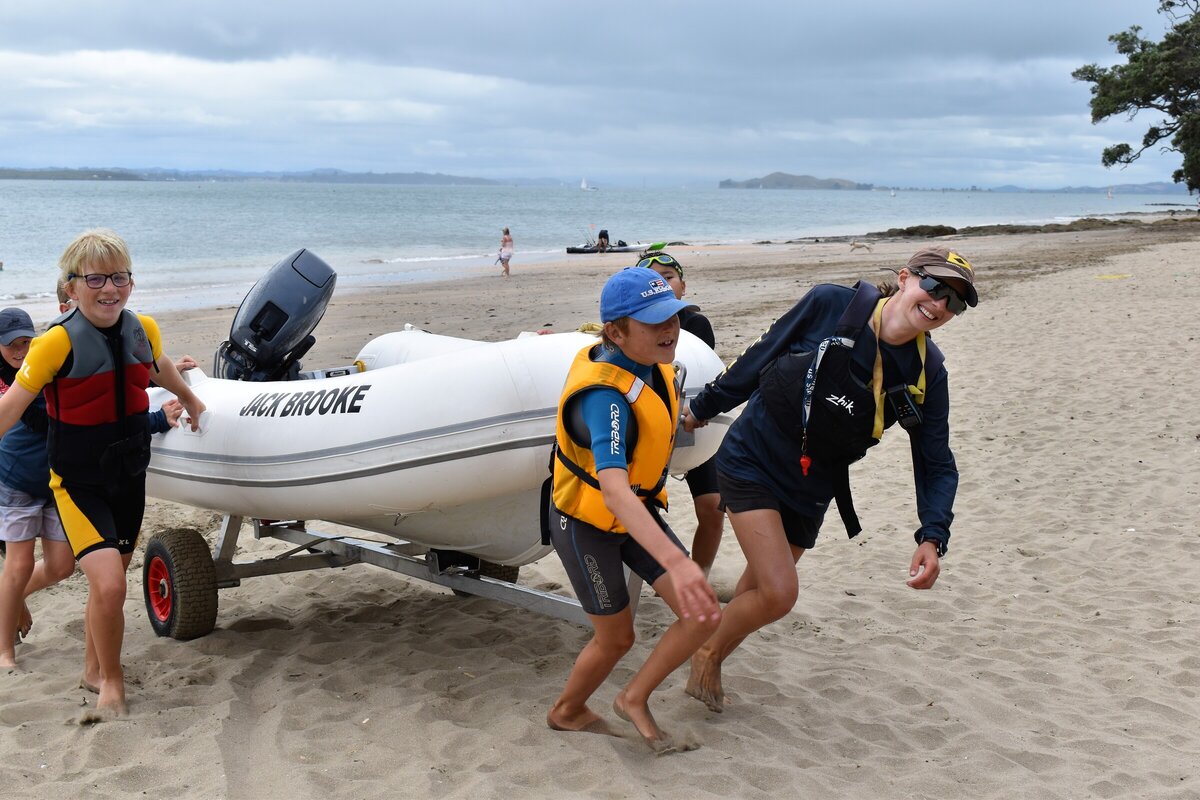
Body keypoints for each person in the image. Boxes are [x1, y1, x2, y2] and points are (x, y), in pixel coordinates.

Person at [681, 247, 978, 712]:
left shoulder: (927, 374)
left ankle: (712, 655)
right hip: (755, 454)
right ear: (905, 277)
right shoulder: (830, 304)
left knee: (759, 587)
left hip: (815, 482)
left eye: (954, 302)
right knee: (780, 593)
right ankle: (704, 650)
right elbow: (762, 356)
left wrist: (933, 534)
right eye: (935, 287)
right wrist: (702, 408)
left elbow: (935, 459)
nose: (940, 305)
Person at [0, 229, 205, 715]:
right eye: (95, 278)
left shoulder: (143, 329)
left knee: (106, 587)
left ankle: (93, 669)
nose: (109, 288)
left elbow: (162, 370)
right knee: (111, 584)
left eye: (119, 277)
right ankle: (111, 682)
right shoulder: (53, 343)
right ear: (71, 288)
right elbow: (8, 412)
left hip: (130, 478)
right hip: (77, 483)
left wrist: (193, 401)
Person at [545, 266, 721, 754]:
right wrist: (677, 562)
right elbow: (615, 489)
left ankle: (633, 698)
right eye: (653, 322)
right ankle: (567, 712)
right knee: (617, 638)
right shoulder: (605, 399)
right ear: (616, 332)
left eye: (673, 318)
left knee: (703, 614)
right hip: (587, 523)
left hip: (633, 515)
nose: (670, 330)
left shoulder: (655, 366)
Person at [636, 251, 724, 576]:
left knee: (713, 508)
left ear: (683, 287)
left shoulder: (695, 324)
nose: (661, 282)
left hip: (691, 424)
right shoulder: (626, 325)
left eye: (668, 277)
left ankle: (699, 575)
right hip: (645, 429)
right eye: (653, 278)